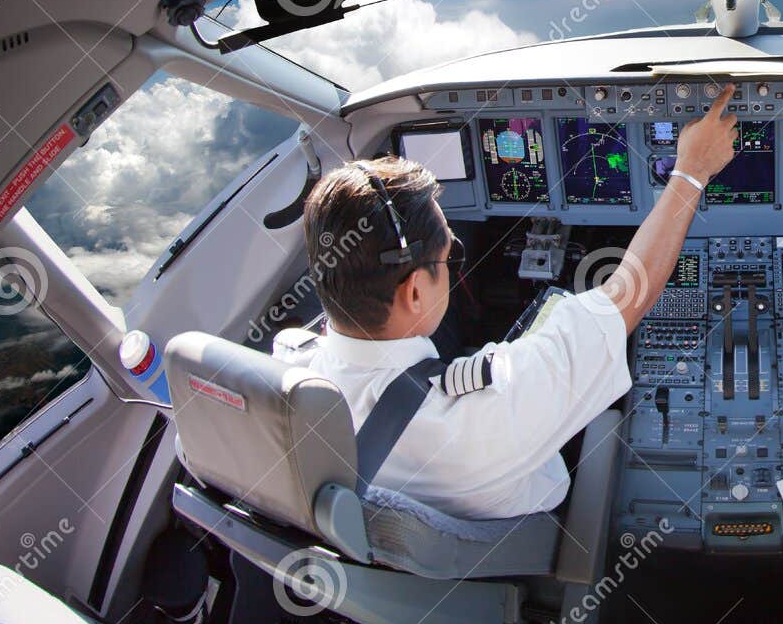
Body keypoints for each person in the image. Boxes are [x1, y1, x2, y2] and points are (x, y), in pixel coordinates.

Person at [276, 85, 738, 520]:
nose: (454, 263)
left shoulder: (289, 375)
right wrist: (692, 170)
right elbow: (628, 295)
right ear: (415, 291)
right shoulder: (490, 411)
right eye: (451, 254)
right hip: (537, 529)